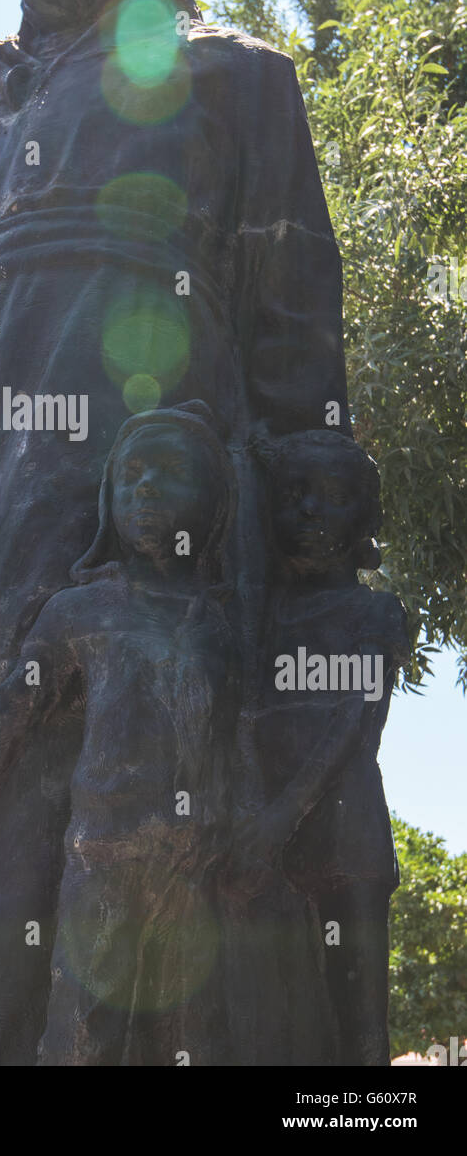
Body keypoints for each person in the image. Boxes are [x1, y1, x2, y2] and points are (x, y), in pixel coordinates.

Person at [0, 0, 353, 1063]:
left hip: (142, 437)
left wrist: (310, 501)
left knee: (91, 758)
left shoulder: (235, 70)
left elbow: (293, 317)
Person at [0, 403, 239, 1066]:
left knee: (191, 1040)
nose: (145, 487)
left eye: (170, 472)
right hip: (106, 856)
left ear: (213, 503)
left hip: (200, 862)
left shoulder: (223, 627)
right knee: (85, 1036)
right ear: (108, 500)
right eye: (130, 474)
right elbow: (11, 710)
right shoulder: (81, 609)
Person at [235, 429, 409, 1064]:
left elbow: (352, 729)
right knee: (272, 1016)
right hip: (256, 830)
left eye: (334, 496)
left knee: (357, 1025)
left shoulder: (376, 613)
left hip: (344, 836)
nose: (310, 510)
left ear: (363, 516)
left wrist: (278, 818)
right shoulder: (259, 612)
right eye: (293, 493)